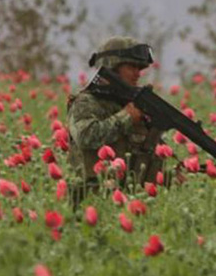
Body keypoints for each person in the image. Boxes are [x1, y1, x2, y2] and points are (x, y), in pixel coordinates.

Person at [67, 36, 166, 201]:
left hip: (132, 202)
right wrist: (126, 118)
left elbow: (151, 157)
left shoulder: (135, 107)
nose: (137, 73)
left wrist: (174, 174)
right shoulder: (86, 102)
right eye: (131, 67)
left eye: (140, 68)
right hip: (91, 200)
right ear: (111, 68)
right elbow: (85, 136)